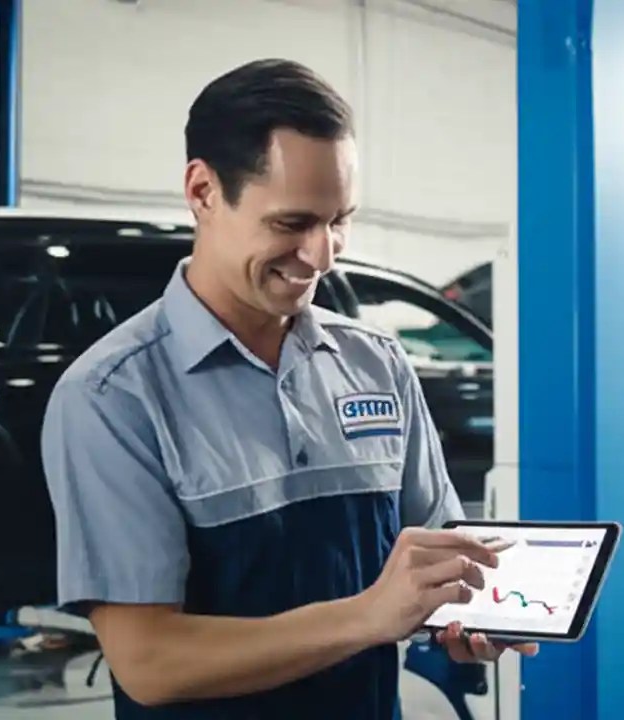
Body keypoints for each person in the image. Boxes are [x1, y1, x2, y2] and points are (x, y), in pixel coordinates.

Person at [40, 58, 536, 719]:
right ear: (203, 191)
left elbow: (430, 557)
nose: (323, 255)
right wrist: (366, 616)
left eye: (339, 220)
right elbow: (149, 662)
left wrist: (463, 614)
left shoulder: (377, 363)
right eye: (292, 223)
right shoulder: (114, 398)